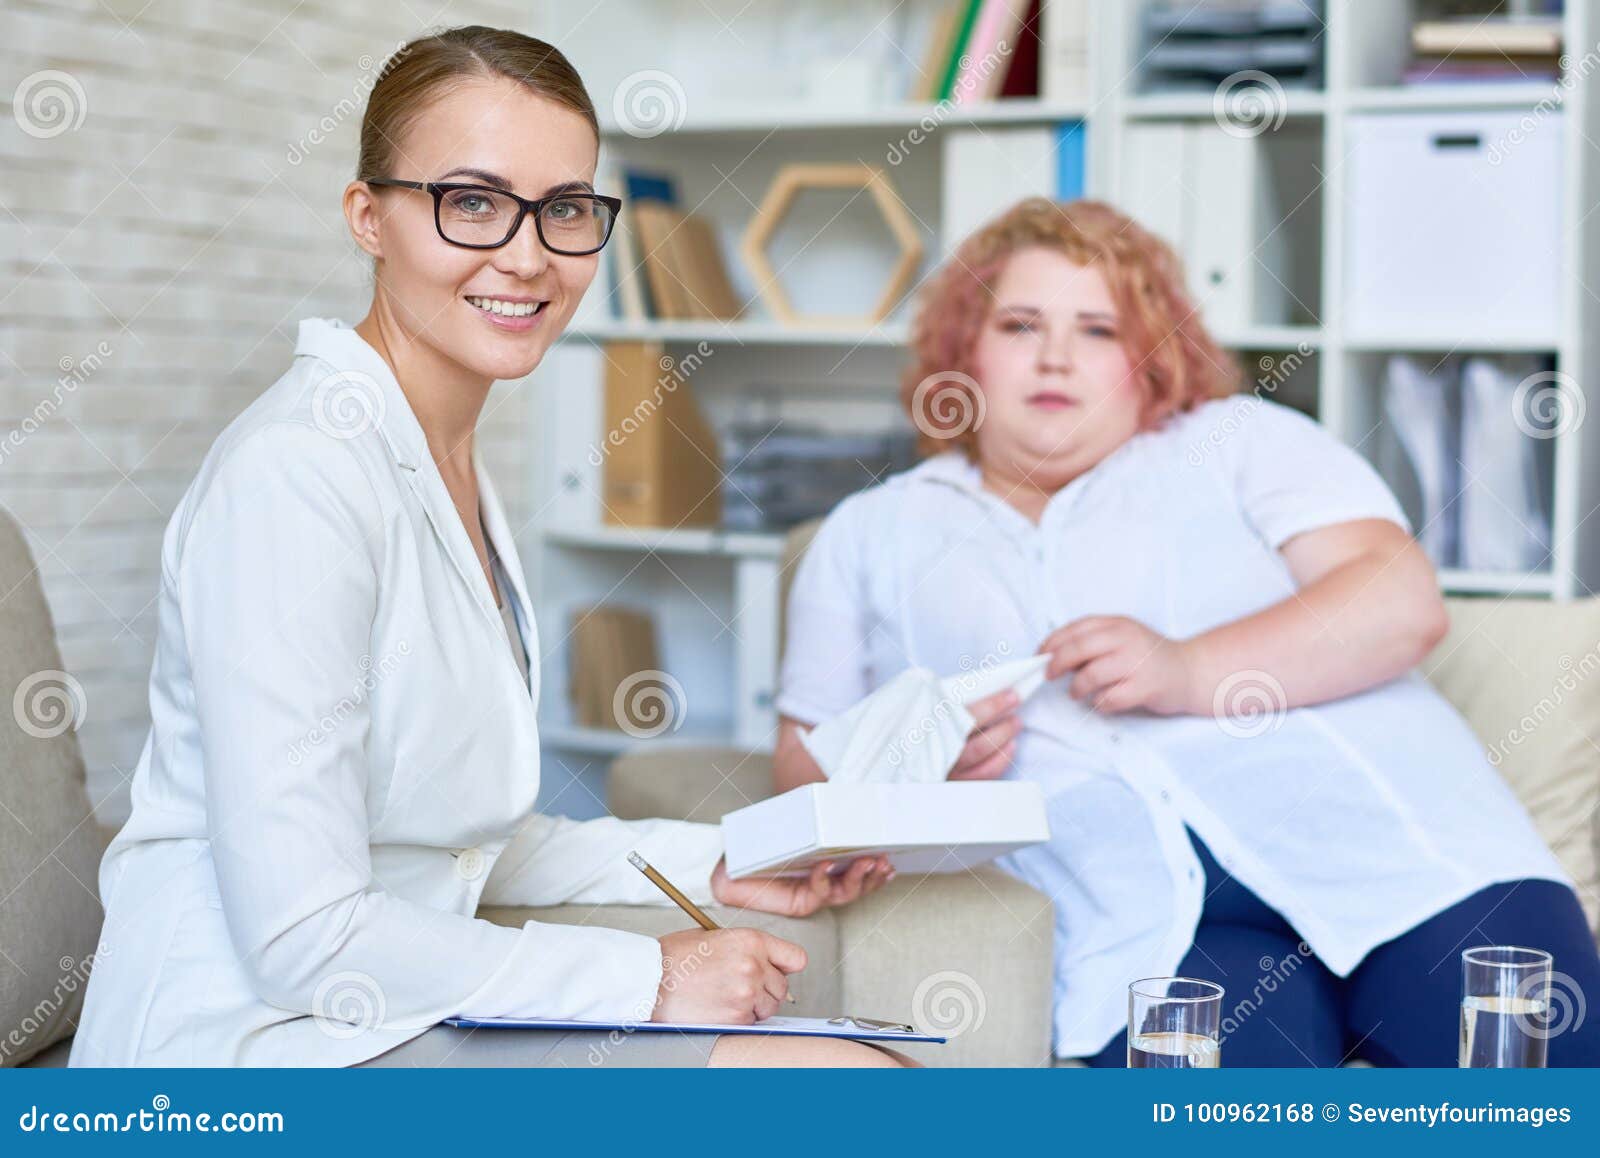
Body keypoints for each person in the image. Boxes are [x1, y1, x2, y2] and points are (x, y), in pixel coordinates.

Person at [70, 26, 902, 1069]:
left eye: (564, 209)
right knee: (836, 1085)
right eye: (471, 201)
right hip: (253, 1046)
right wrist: (649, 978)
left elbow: (454, 838)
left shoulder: (439, 454)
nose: (526, 255)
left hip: (379, 1015)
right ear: (368, 217)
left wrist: (728, 856)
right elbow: (300, 934)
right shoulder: (297, 477)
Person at [773, 196, 1600, 1067]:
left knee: (1532, 1106)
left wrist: (1187, 667)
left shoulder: (1241, 440)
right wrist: (917, 769)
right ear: (961, 347)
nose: (1056, 355)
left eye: (1098, 329)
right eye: (1020, 323)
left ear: (1149, 357)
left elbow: (1400, 601)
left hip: (1414, 859)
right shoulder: (868, 531)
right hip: (1148, 920)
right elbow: (798, 768)